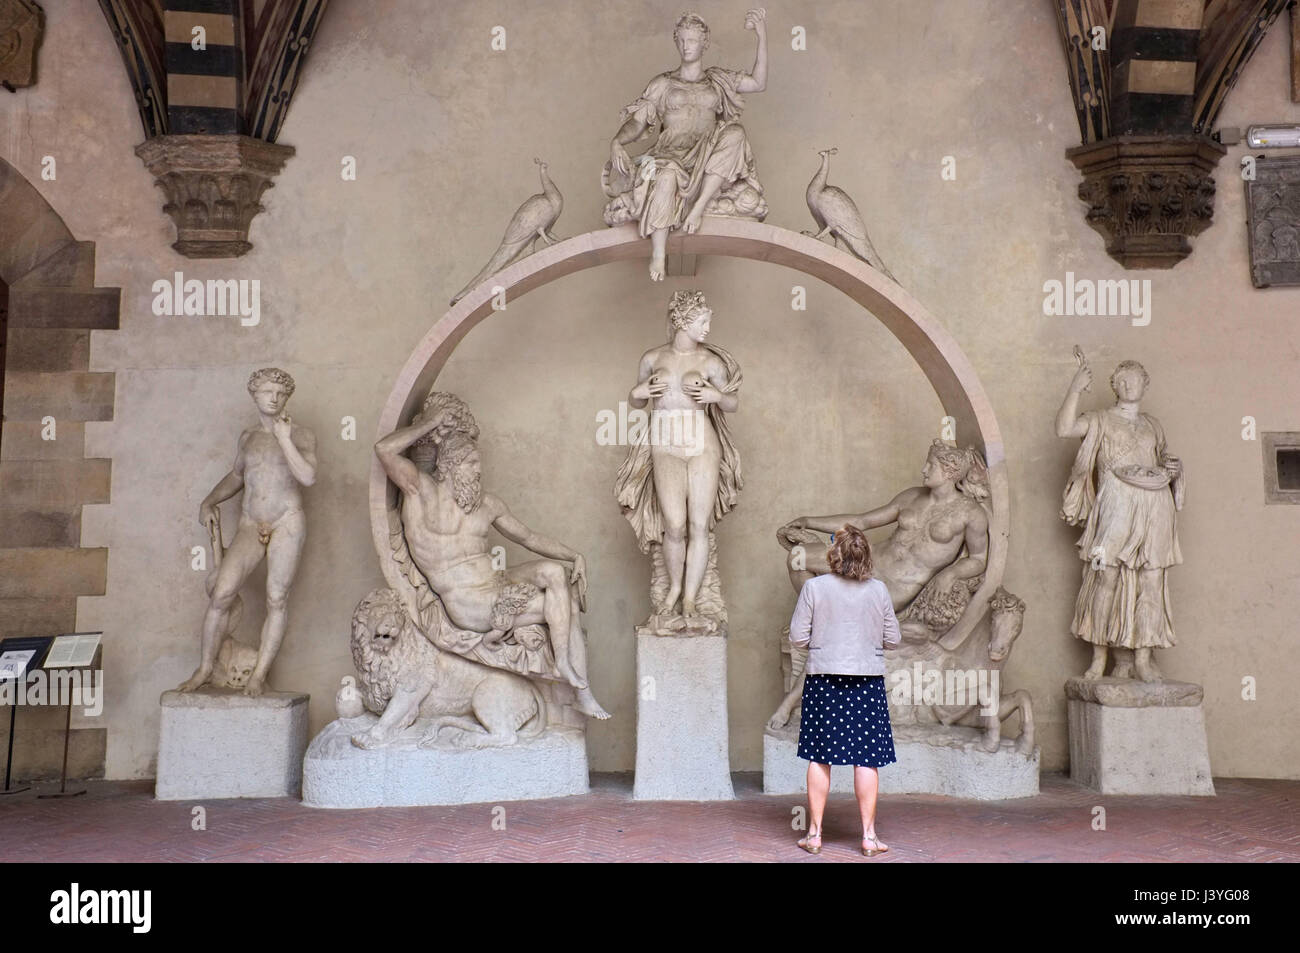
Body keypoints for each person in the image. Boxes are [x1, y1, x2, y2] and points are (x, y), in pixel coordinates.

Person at [374, 391, 610, 719]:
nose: (478, 471)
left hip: (496, 582)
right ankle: (579, 688)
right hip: (469, 604)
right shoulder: (420, 492)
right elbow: (384, 450)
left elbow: (528, 536)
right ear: (450, 466)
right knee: (565, 605)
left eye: (478, 464)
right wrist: (432, 421)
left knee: (555, 573)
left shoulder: (487, 504)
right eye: (471, 464)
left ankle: (568, 668)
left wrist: (575, 556)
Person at [178, 367, 316, 696]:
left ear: (287, 397)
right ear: (254, 395)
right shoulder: (248, 437)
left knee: (276, 597)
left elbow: (308, 476)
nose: (273, 398)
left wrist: (284, 439)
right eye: (267, 392)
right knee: (222, 593)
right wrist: (209, 500)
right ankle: (205, 669)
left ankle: (258, 675)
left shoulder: (302, 435)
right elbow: (238, 477)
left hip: (287, 520)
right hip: (251, 522)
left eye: (280, 393)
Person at [605, 10, 768, 281]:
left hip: (706, 156)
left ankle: (698, 207)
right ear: (676, 42)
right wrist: (617, 142)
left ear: (704, 43)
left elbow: (759, 82)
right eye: (681, 40)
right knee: (666, 176)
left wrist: (761, 34)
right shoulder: (663, 84)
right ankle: (659, 253)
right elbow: (637, 122)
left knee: (736, 133)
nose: (686, 46)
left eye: (692, 40)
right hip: (670, 155)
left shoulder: (717, 81)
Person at [615, 290, 741, 624]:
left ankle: (689, 599)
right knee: (674, 524)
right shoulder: (653, 358)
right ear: (682, 321)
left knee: (700, 525)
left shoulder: (711, 361)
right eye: (702, 322)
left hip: (702, 445)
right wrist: (637, 393)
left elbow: (732, 402)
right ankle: (673, 588)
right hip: (665, 444)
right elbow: (637, 398)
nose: (707, 329)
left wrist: (716, 394)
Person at [1057, 356, 1183, 682]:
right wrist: (1074, 389)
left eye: (1135, 379)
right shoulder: (1100, 419)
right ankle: (1099, 657)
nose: (1129, 385)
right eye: (1122, 380)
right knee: (1104, 578)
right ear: (1114, 386)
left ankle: (1142, 657)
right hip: (1114, 508)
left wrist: (1174, 470)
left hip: (1155, 508)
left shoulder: (1153, 425)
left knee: (1151, 582)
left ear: (1145, 384)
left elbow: (1164, 461)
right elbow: (1064, 429)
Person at [788, 523, 900, 857]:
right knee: (866, 759)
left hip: (824, 680)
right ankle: (868, 837)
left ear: (833, 555)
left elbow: (797, 637)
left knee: (819, 757)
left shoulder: (815, 588)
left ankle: (814, 835)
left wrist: (824, 640)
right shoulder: (878, 590)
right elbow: (893, 639)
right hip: (866, 682)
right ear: (866, 555)